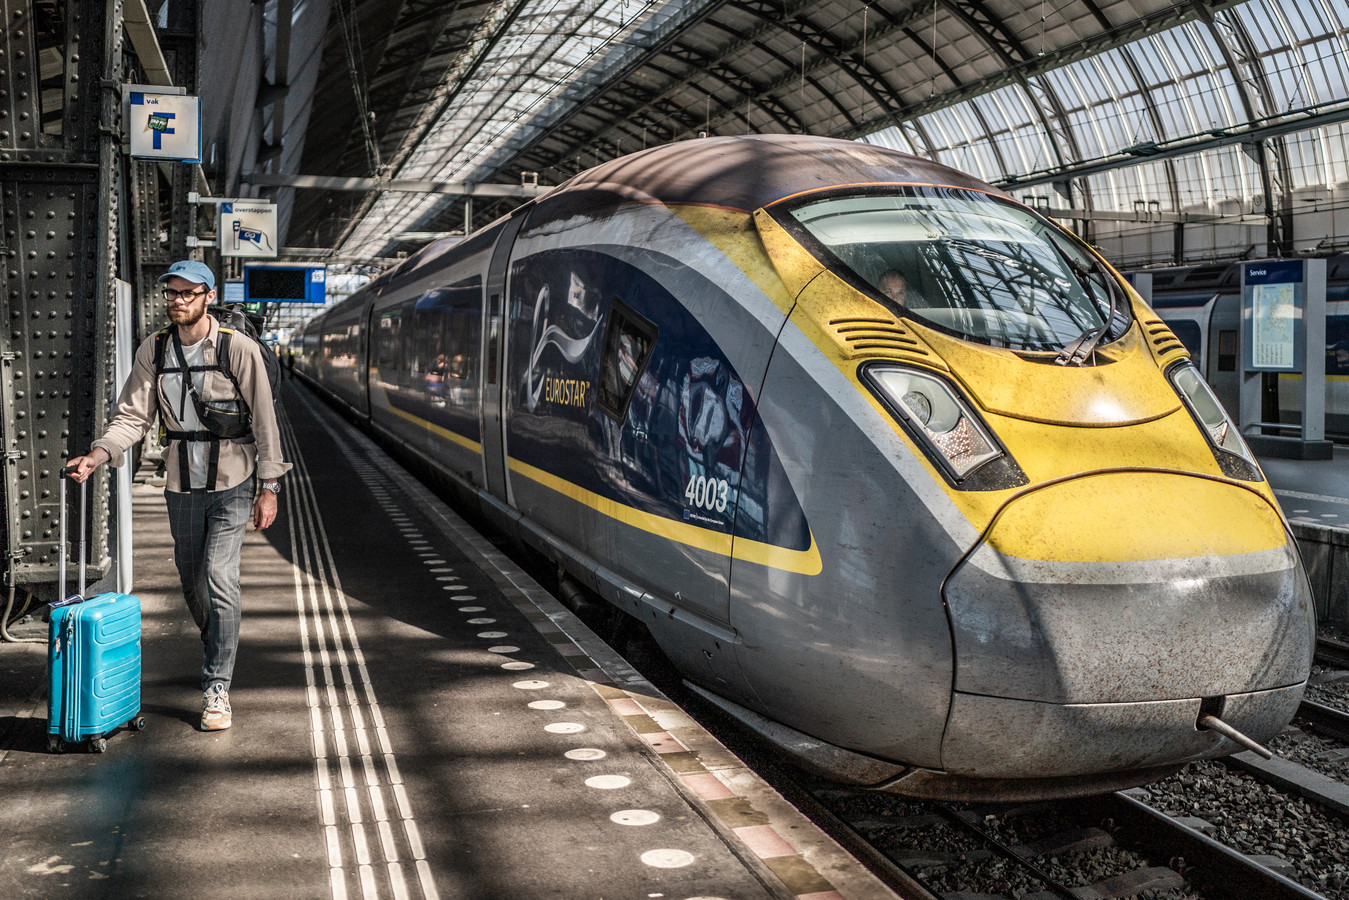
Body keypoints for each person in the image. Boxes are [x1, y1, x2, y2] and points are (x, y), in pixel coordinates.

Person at [66, 259, 291, 732]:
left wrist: (269, 488)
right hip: (180, 482)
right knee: (191, 581)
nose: (178, 301)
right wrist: (98, 454)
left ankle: (217, 686)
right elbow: (133, 415)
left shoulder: (238, 349)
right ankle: (219, 645)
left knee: (218, 576)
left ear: (209, 296)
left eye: (189, 293)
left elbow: (267, 423)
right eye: (172, 293)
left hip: (233, 477)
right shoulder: (157, 348)